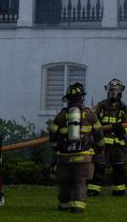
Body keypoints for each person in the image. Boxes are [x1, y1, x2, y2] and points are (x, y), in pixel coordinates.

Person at [48, 81, 100, 213]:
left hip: (64, 158)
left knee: (64, 182)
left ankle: (64, 205)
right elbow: (98, 133)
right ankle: (78, 207)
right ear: (81, 98)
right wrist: (100, 148)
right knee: (80, 182)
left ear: (68, 99)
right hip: (83, 157)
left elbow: (52, 133)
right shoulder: (89, 113)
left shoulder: (61, 115)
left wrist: (55, 148)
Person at [88, 78, 127, 198]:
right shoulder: (101, 105)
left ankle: (119, 191)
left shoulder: (123, 108)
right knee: (99, 168)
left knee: (119, 168)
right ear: (108, 91)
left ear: (121, 91)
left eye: (116, 90)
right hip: (102, 143)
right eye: (112, 90)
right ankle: (93, 190)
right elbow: (92, 120)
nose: (114, 93)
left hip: (118, 144)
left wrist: (122, 130)